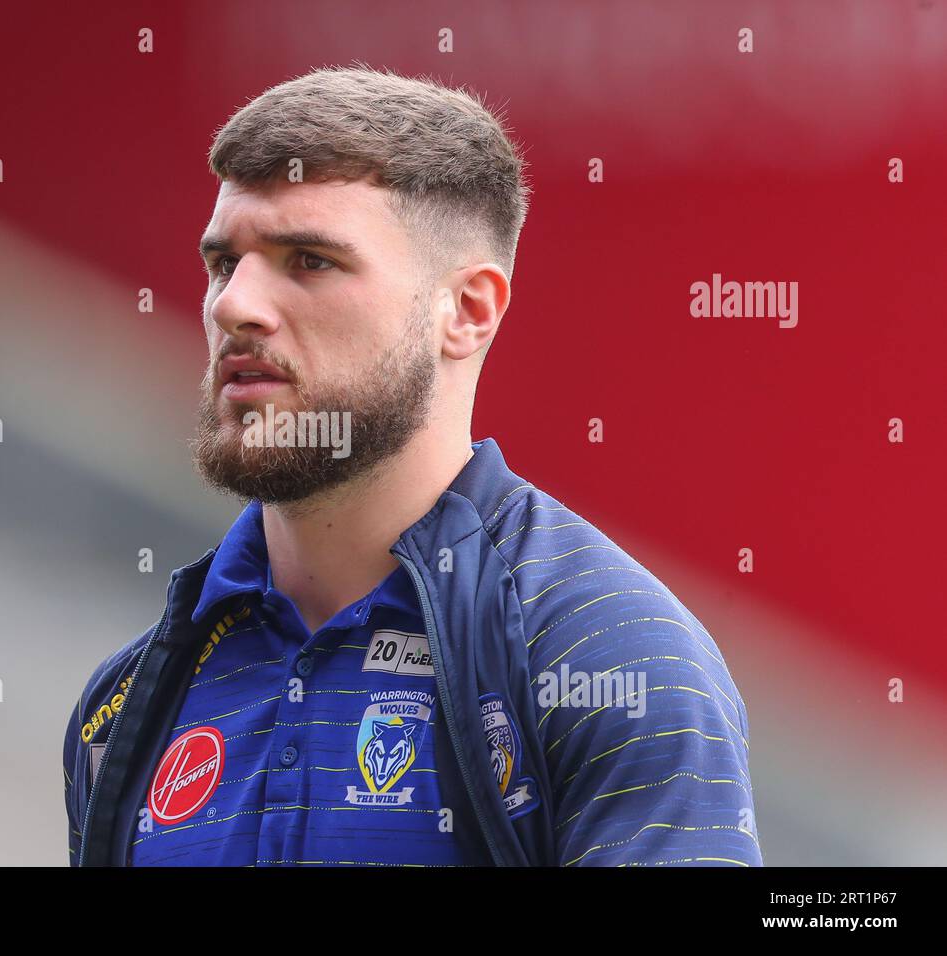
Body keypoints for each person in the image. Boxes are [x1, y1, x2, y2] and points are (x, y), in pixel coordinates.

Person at [65, 64, 762, 867]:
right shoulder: (124, 705)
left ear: (465, 312)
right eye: (225, 264)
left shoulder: (608, 656)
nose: (233, 306)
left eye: (309, 260)